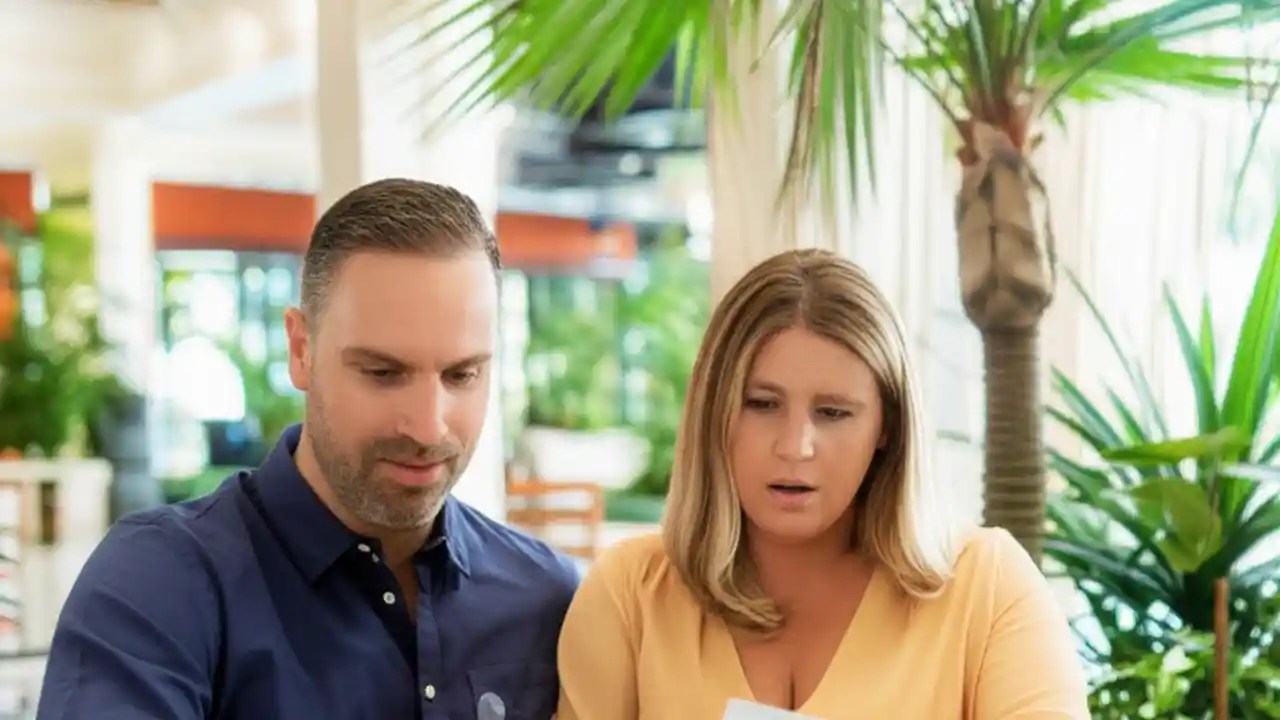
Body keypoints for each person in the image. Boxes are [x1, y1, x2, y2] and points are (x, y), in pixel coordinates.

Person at [37, 179, 579, 719]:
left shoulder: (548, 599)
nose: (428, 427)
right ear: (301, 349)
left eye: (463, 374)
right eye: (383, 373)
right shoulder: (162, 582)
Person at [555, 249, 1089, 719]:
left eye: (833, 413)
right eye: (762, 405)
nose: (795, 446)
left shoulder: (987, 587)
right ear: (714, 411)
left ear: (887, 426)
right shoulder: (631, 594)